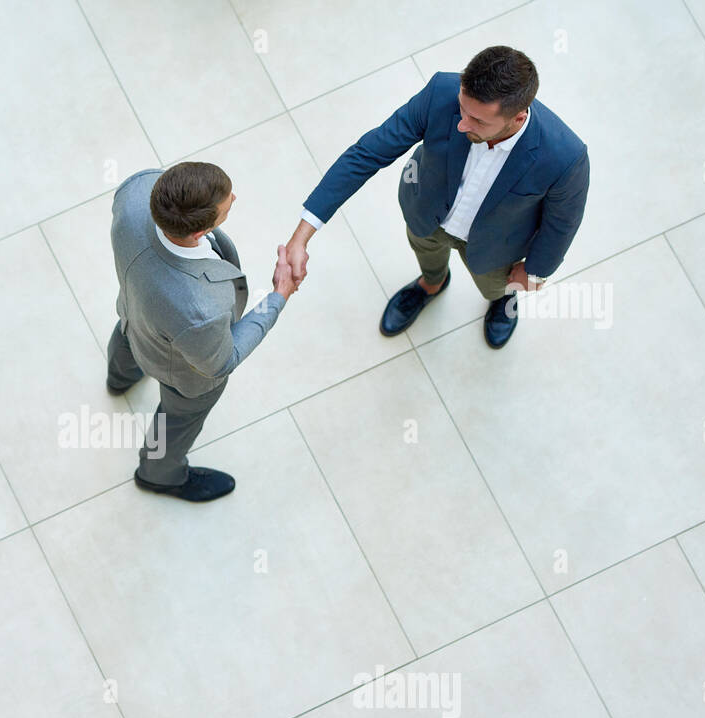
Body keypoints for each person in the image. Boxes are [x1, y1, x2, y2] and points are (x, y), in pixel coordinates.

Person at [284, 45, 589, 348]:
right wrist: (301, 237)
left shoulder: (566, 156)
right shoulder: (442, 90)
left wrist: (536, 270)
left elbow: (561, 224)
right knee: (427, 257)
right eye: (462, 108)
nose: (461, 124)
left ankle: (501, 302)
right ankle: (431, 284)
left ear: (518, 118)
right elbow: (368, 153)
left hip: (497, 247)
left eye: (478, 121)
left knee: (497, 287)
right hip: (425, 214)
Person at [106, 162, 299, 502]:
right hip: (179, 368)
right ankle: (159, 475)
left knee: (127, 340)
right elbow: (221, 362)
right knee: (178, 421)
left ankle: (118, 379)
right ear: (198, 233)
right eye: (227, 204)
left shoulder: (136, 193)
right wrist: (278, 296)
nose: (234, 197)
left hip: (133, 314)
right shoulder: (199, 308)